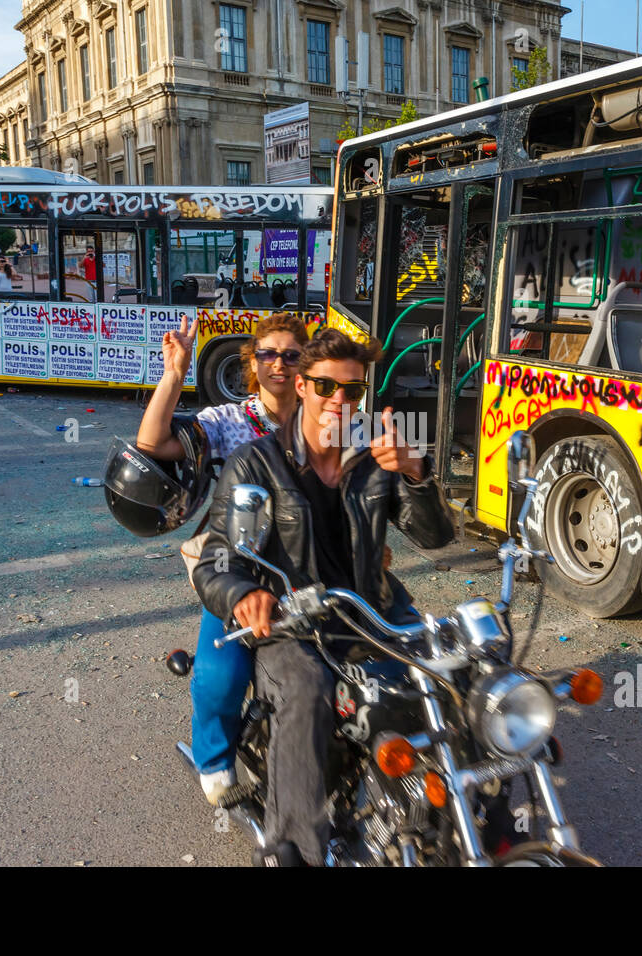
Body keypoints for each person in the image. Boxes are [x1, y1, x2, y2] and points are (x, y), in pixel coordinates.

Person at [193, 328, 455, 866]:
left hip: (366, 618)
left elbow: (435, 537)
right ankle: (294, 847)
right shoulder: (256, 463)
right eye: (326, 387)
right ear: (303, 387)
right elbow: (218, 556)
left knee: (447, 674)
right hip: (294, 626)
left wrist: (416, 472)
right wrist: (244, 593)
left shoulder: (377, 460)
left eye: (353, 391)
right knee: (308, 689)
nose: (339, 401)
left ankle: (439, 818)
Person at [136, 311, 310, 805]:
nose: (280, 363)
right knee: (222, 674)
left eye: (292, 354)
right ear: (252, 362)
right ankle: (214, 759)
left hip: (311, 568)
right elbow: (153, 443)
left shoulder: (323, 420)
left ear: (306, 365)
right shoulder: (228, 419)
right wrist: (174, 374)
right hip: (237, 571)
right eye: (269, 353)